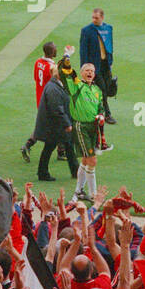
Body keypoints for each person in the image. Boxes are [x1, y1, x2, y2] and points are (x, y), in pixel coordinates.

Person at [63, 61, 104, 203]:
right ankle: (93, 195)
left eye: (92, 71)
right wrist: (66, 57)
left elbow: (101, 107)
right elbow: (66, 71)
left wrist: (101, 115)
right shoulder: (76, 86)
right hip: (80, 126)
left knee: (86, 160)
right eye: (87, 70)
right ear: (81, 73)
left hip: (93, 128)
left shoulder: (97, 90)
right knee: (92, 160)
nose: (89, 73)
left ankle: (77, 193)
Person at [78, 8, 116, 125]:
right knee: (102, 89)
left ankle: (97, 107)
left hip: (105, 63)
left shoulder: (108, 28)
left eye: (96, 18)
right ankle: (107, 114)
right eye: (93, 17)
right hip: (94, 65)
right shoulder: (87, 31)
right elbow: (83, 50)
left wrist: (111, 61)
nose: (94, 20)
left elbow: (110, 45)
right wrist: (85, 68)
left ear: (102, 18)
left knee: (108, 88)